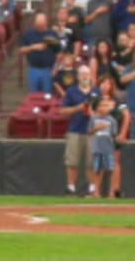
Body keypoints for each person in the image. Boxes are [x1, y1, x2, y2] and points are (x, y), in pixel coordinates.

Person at [60, 65, 100, 195]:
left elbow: (102, 110)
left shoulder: (96, 91)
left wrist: (92, 113)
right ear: (77, 76)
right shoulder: (71, 92)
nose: (84, 76)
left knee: (91, 161)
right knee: (72, 160)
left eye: (86, 74)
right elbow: (63, 111)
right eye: (82, 74)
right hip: (75, 129)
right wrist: (78, 108)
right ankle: (71, 186)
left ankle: (92, 187)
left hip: (91, 130)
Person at [19, 12, 60, 95]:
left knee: (47, 94)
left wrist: (56, 67)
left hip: (48, 69)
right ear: (35, 23)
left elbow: (59, 53)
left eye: (42, 24)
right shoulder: (28, 34)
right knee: (34, 95)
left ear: (46, 23)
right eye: (38, 24)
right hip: (34, 69)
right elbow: (21, 50)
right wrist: (32, 47)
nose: (40, 26)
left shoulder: (52, 34)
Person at [88, 96, 118, 197]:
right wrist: (96, 129)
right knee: (97, 170)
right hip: (97, 148)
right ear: (97, 108)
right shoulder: (93, 119)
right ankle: (96, 191)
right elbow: (89, 132)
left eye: (106, 105)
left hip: (108, 148)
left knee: (110, 170)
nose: (104, 108)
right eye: (101, 106)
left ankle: (111, 192)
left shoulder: (112, 121)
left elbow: (114, 135)